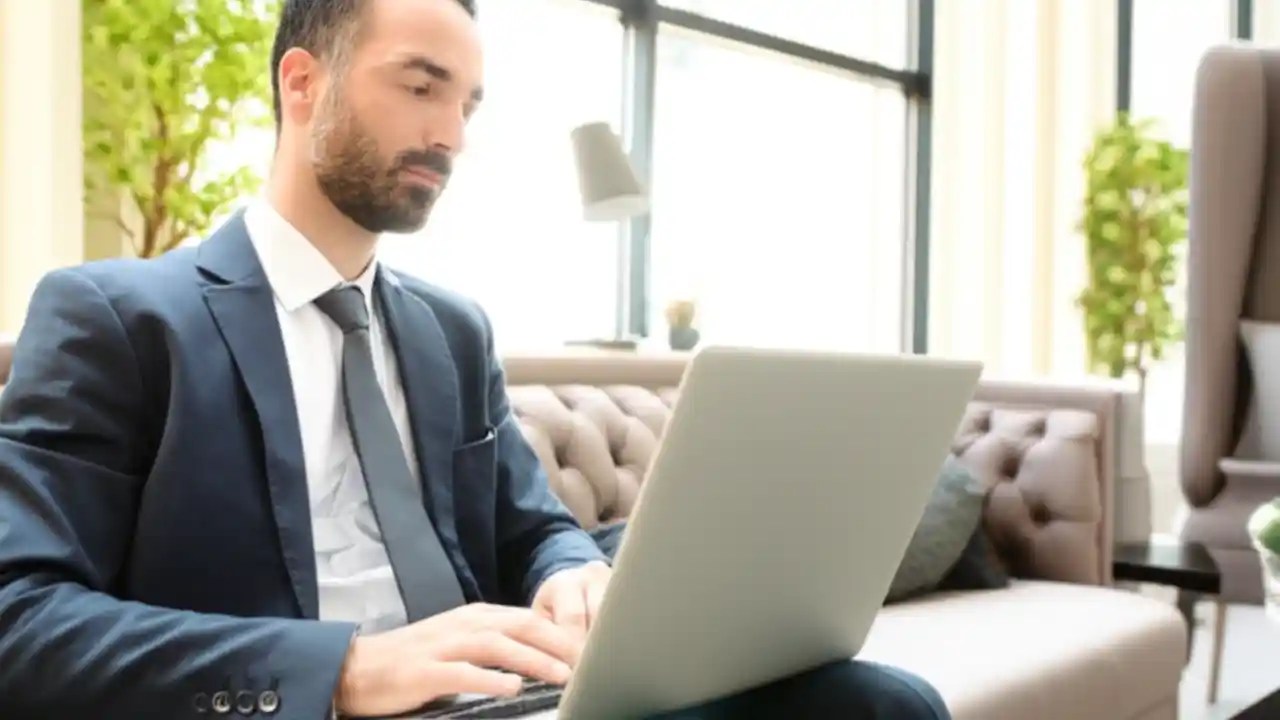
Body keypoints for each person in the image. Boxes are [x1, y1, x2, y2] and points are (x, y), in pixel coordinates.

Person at [0, 0, 951, 718]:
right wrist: (340, 668)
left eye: (467, 102)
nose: (451, 135)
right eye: (420, 87)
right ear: (302, 84)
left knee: (880, 701)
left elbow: (531, 527)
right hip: (308, 703)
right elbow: (20, 619)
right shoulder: (117, 317)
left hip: (503, 700)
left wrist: (572, 572)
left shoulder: (449, 332)